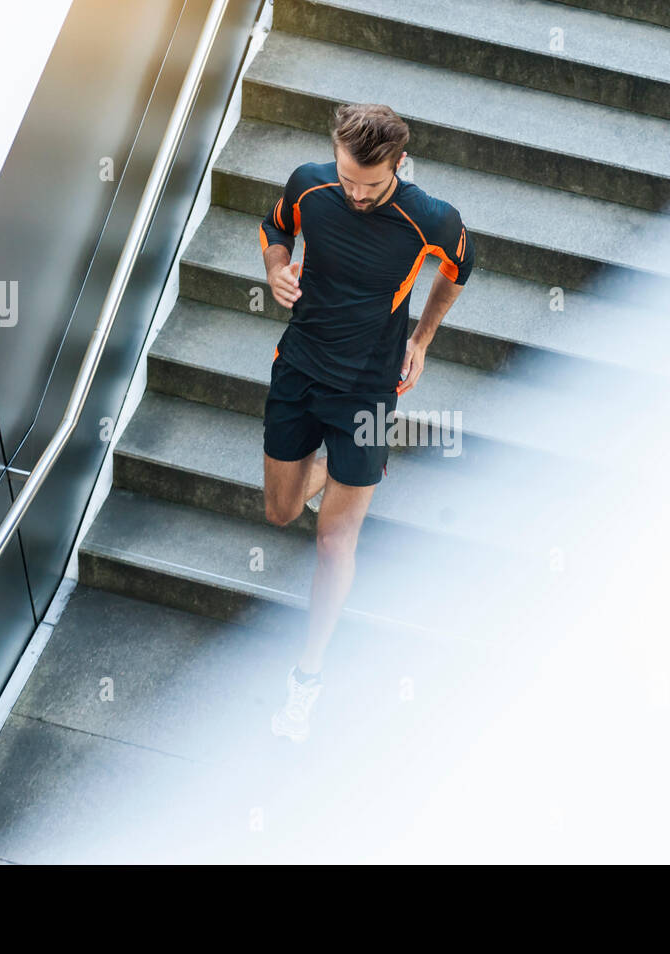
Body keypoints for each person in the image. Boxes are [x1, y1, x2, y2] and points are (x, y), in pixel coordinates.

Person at [258, 103, 475, 742]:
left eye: (371, 185)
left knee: (333, 541)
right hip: (297, 370)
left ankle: (307, 677)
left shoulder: (430, 218)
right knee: (280, 512)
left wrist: (424, 337)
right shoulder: (310, 183)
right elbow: (274, 227)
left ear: (399, 166)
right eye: (348, 179)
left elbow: (459, 268)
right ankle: (343, 466)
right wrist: (275, 268)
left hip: (370, 391)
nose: (355, 194)